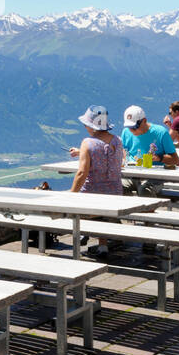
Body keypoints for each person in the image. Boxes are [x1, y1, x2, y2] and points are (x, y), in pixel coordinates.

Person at [66, 105, 125, 258]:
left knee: (76, 203)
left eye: (86, 124)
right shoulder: (117, 141)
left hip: (92, 195)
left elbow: (82, 172)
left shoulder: (87, 143)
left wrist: (72, 194)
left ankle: (82, 233)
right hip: (115, 194)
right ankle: (102, 246)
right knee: (102, 207)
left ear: (92, 126)